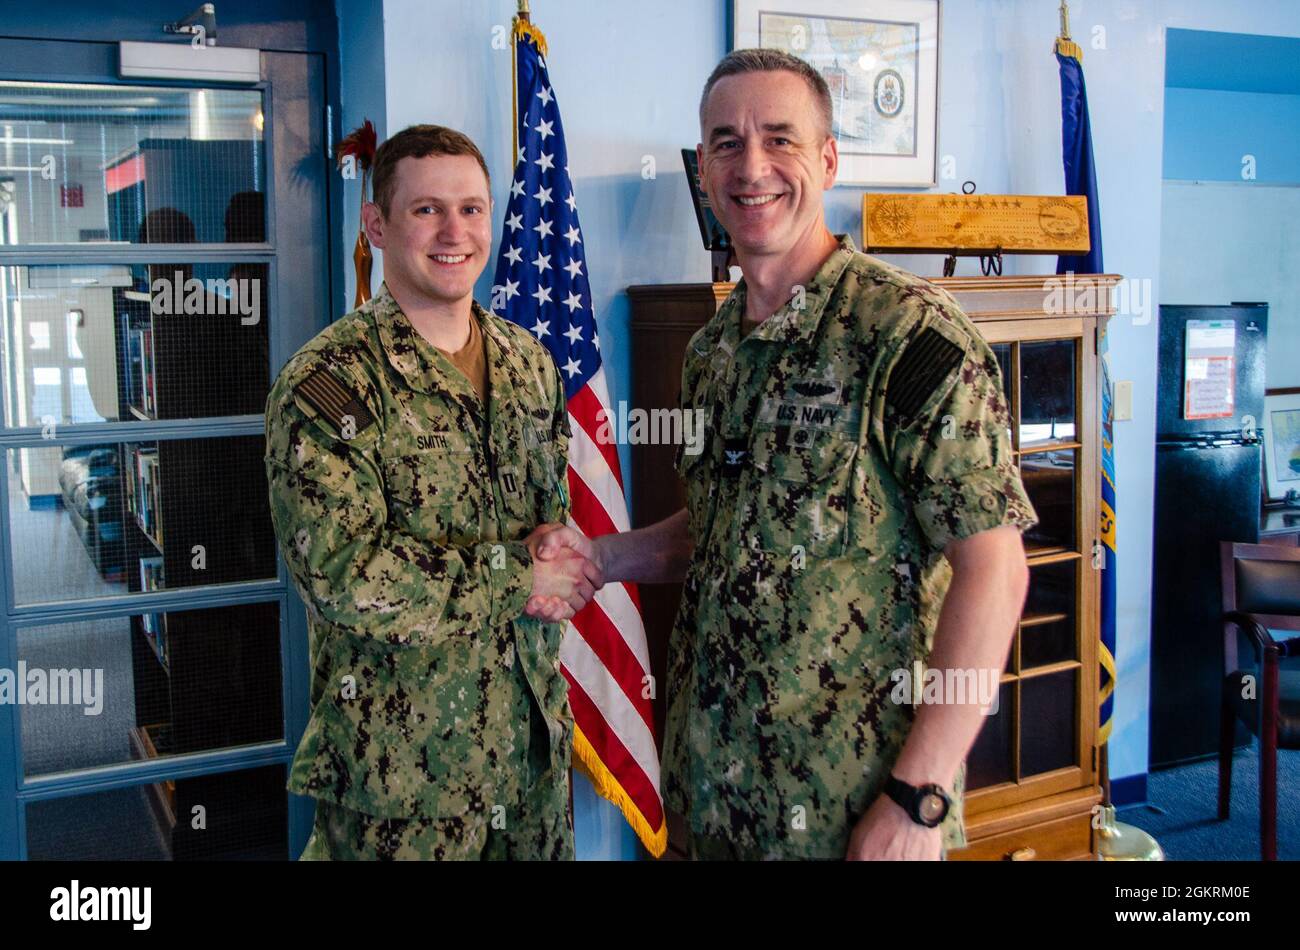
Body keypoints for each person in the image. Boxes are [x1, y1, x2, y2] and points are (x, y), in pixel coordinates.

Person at [529, 49, 1037, 860]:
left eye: (780, 138)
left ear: (828, 159)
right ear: (703, 172)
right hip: (713, 801)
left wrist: (920, 796)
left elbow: (996, 569)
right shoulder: (712, 353)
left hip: (855, 811)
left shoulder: (905, 334)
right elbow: (718, 530)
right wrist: (600, 555)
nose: (752, 165)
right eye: (726, 143)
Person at [265, 125, 599, 860]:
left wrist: (553, 549)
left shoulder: (529, 363)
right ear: (377, 224)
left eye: (473, 210)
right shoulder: (328, 384)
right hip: (404, 786)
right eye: (427, 211)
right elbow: (344, 575)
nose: (456, 232)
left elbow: (551, 520)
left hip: (531, 758)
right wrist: (521, 576)